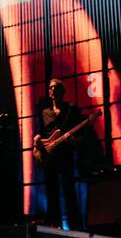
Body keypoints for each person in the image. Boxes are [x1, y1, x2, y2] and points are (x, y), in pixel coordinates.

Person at [34, 79, 85, 230]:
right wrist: (37, 139)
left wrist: (73, 141)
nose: (52, 90)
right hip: (50, 157)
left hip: (65, 156)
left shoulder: (72, 110)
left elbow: (81, 134)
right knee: (52, 191)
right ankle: (54, 225)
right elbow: (40, 133)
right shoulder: (44, 113)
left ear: (62, 91)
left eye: (55, 88)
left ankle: (75, 226)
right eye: (50, 88)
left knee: (69, 190)